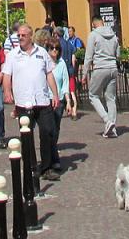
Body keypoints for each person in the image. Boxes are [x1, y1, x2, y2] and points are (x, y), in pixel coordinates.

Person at [2, 24, 62, 181]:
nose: (20, 38)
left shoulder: (42, 53)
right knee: (26, 137)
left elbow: (49, 74)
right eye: (19, 35)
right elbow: (7, 75)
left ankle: (47, 167)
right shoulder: (13, 55)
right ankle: (32, 167)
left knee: (48, 132)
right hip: (24, 102)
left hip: (42, 100)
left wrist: (55, 95)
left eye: (23, 35)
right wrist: (7, 92)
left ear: (30, 37)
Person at [84, 16, 120, 137]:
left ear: (93, 24)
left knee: (93, 95)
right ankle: (112, 129)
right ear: (103, 22)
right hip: (113, 67)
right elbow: (118, 54)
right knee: (111, 98)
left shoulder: (93, 35)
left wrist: (84, 73)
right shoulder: (113, 35)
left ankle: (107, 120)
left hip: (100, 67)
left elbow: (88, 56)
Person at [46, 38, 71, 171]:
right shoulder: (45, 63)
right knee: (48, 129)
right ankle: (52, 158)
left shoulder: (61, 64)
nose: (54, 51)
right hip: (47, 100)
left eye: (57, 48)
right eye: (52, 48)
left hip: (59, 100)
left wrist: (68, 102)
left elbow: (65, 83)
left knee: (55, 129)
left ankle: (51, 153)